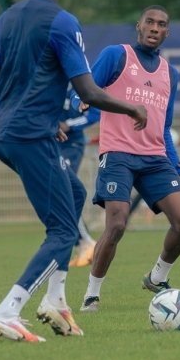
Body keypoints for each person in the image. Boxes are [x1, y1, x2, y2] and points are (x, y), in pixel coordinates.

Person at [0, 0, 147, 343]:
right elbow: (88, 92)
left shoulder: (7, 17)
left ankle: (56, 301)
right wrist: (131, 108)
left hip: (3, 132)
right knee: (61, 231)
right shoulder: (62, 22)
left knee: (73, 195)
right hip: (28, 134)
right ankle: (7, 310)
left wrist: (40, 113)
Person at [78, 5, 180, 312]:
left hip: (155, 158)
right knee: (117, 224)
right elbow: (86, 91)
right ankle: (91, 294)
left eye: (161, 24)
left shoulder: (170, 73)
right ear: (139, 25)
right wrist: (73, 112)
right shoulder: (116, 55)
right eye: (150, 22)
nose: (155, 27)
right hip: (117, 153)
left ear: (167, 32)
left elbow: (164, 128)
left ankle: (157, 277)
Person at [58, 99, 100, 266]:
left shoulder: (77, 85)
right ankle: (82, 245)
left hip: (71, 144)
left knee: (66, 190)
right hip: (51, 143)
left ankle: (86, 242)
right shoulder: (46, 84)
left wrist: (69, 124)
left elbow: (95, 113)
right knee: (57, 196)